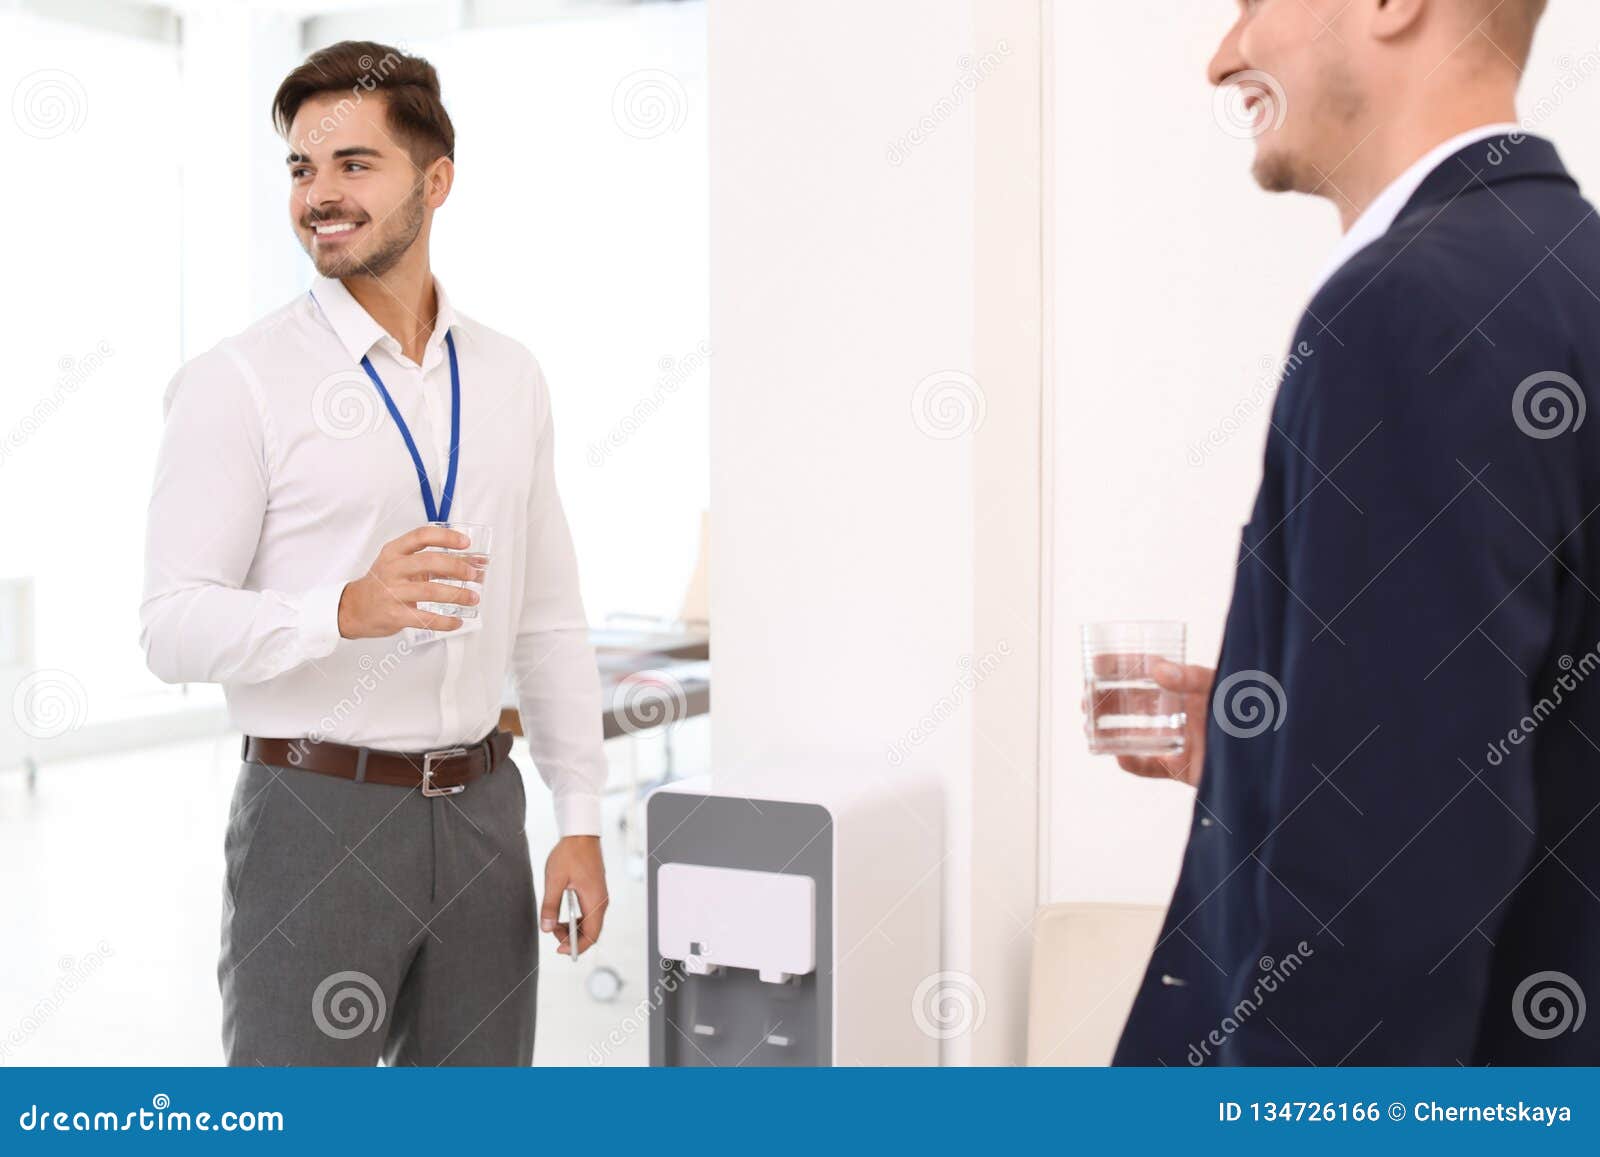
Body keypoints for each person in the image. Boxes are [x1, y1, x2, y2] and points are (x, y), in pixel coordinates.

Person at [1115, 0, 1600, 1064]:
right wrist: (1273, 752)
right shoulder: (1570, 273)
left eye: (1251, 4)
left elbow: (1382, 916)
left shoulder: (1405, 311)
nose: (1223, 57)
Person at [139, 40, 608, 1065]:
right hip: (317, 813)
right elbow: (170, 626)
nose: (320, 195)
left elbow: (547, 616)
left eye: (355, 164)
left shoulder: (510, 376)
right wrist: (340, 608)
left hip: (485, 813)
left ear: (435, 182)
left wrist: (579, 814)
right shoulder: (237, 382)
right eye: (302, 169)